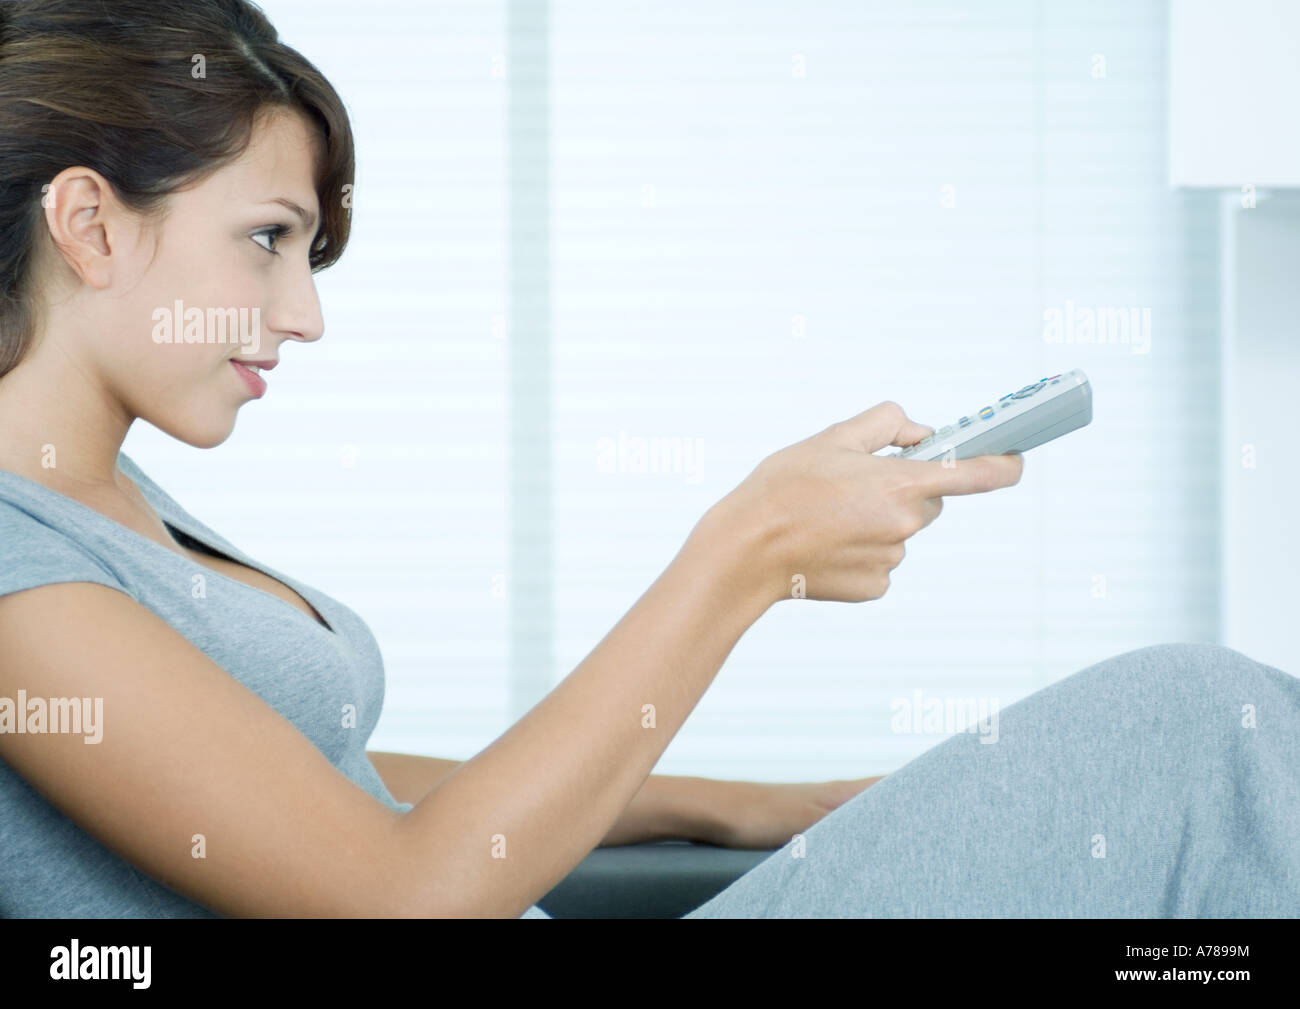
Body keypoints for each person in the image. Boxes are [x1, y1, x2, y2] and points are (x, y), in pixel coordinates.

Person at [3, 0, 1296, 921]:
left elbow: (316, 783)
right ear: (89, 225)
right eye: (268, 238)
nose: (304, 312)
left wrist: (753, 805)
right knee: (1200, 731)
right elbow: (395, 890)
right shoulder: (18, 568)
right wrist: (744, 554)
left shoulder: (107, 507)